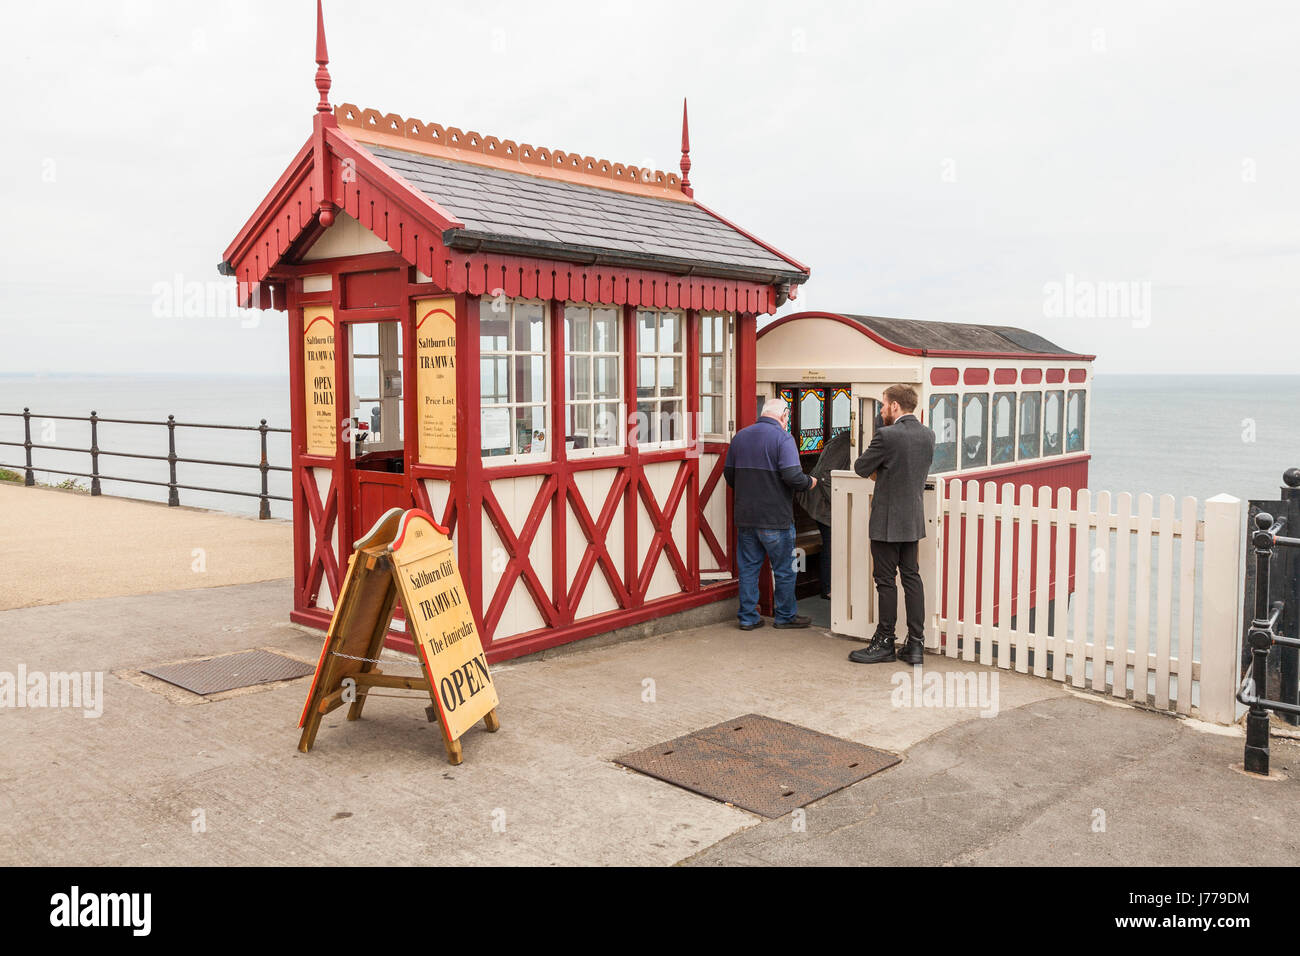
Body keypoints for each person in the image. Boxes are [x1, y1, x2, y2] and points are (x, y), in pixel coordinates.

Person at [848, 384, 936, 665]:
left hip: (886, 519)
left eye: (884, 405)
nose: (882, 410)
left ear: (896, 406)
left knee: (885, 581)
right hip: (912, 518)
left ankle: (884, 642)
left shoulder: (886, 435)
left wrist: (880, 474)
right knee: (912, 577)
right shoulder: (928, 434)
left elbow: (861, 467)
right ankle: (916, 644)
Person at [724, 398, 816, 630]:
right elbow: (793, 477)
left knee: (748, 568)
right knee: (785, 569)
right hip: (776, 519)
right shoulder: (783, 438)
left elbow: (730, 476)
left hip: (746, 517)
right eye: (787, 417)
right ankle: (785, 616)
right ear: (784, 415)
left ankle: (747, 617)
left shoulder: (740, 437)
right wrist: (810, 483)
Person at [794, 429, 850, 600]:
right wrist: (840, 505)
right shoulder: (846, 442)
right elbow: (826, 478)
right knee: (832, 542)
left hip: (824, 499)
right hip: (821, 502)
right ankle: (828, 589)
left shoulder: (849, 439)